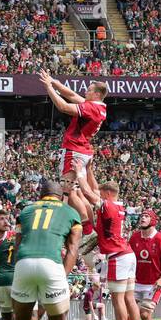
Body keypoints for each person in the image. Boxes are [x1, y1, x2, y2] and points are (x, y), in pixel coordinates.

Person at [7, 179, 83, 320]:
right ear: (60, 196)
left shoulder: (26, 211)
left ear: (41, 195)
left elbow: (18, 243)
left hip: (24, 263)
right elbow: (72, 249)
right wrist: (63, 275)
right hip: (51, 264)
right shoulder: (70, 212)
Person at [74, 174, 142, 320]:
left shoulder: (108, 205)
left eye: (103, 193)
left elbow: (89, 193)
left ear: (108, 193)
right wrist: (89, 171)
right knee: (129, 298)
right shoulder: (119, 206)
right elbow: (93, 193)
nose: (100, 196)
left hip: (117, 255)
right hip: (128, 254)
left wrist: (79, 175)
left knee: (118, 299)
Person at [39, 70, 107, 229]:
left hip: (74, 150)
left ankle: (87, 229)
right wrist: (53, 81)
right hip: (83, 151)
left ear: (97, 94)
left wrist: (49, 88)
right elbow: (70, 94)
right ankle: (91, 227)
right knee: (76, 192)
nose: (85, 92)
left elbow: (63, 106)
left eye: (89, 90)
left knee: (68, 190)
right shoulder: (100, 107)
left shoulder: (91, 109)